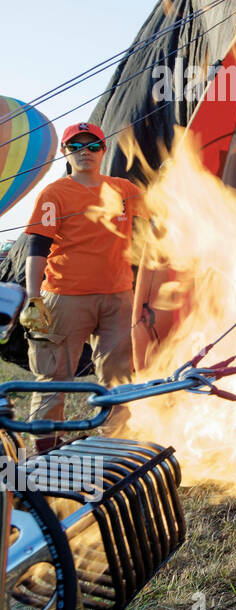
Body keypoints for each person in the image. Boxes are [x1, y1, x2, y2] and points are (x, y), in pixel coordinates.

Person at [20, 122, 147, 447]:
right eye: (76, 146)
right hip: (65, 297)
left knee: (118, 375)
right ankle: (46, 448)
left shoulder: (125, 190)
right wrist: (34, 299)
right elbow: (37, 248)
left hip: (118, 297)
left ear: (103, 151)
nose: (85, 152)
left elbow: (163, 214)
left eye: (92, 146)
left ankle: (114, 443)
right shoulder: (54, 193)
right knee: (54, 377)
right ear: (65, 152)